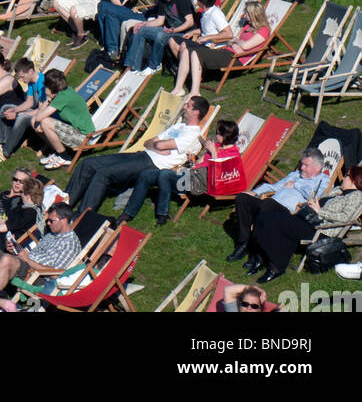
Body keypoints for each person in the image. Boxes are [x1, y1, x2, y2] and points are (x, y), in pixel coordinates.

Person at [66, 95, 210, 219]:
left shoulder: (192, 135)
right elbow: (149, 142)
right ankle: (64, 205)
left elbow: (157, 144)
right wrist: (157, 146)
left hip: (152, 164)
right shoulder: (179, 126)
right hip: (142, 154)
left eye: (188, 106)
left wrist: (157, 145)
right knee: (88, 163)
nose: (184, 107)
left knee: (103, 174)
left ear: (196, 112)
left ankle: (82, 217)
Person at [227, 147, 330, 283]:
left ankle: (257, 254)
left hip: (286, 212)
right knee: (242, 198)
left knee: (268, 204)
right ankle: (243, 243)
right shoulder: (295, 174)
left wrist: (296, 184)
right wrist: (255, 192)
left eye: (306, 165)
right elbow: (275, 187)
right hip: (269, 205)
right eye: (301, 164)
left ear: (318, 167)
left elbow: (313, 196)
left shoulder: (323, 181)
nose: (302, 168)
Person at [171, 1, 272, 98]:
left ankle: (195, 92)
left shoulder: (263, 31)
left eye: (247, 13)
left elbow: (245, 46)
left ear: (254, 14)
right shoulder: (248, 26)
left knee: (195, 53)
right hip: (229, 52)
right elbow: (233, 41)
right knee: (187, 50)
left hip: (235, 59)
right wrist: (236, 43)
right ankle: (178, 88)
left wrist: (236, 41)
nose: (244, 15)